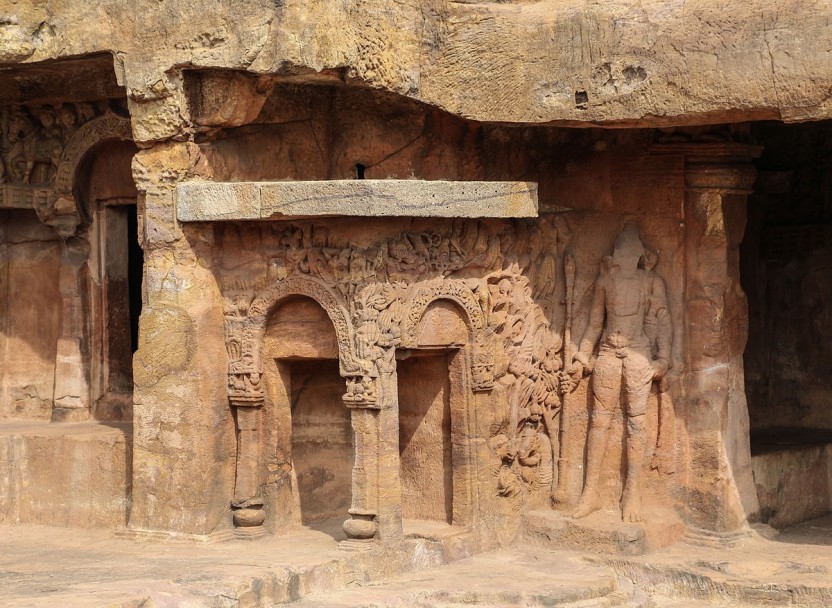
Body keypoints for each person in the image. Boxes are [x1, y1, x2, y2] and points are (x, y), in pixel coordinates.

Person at [562, 223, 671, 522]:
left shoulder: (651, 282)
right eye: (620, 252)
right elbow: (595, 323)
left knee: (636, 423)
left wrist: (664, 358)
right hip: (609, 352)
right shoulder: (605, 281)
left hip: (638, 353)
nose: (624, 258)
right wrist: (583, 356)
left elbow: (662, 320)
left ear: (639, 256)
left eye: (630, 253)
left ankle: (632, 493)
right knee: (599, 422)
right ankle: (590, 493)